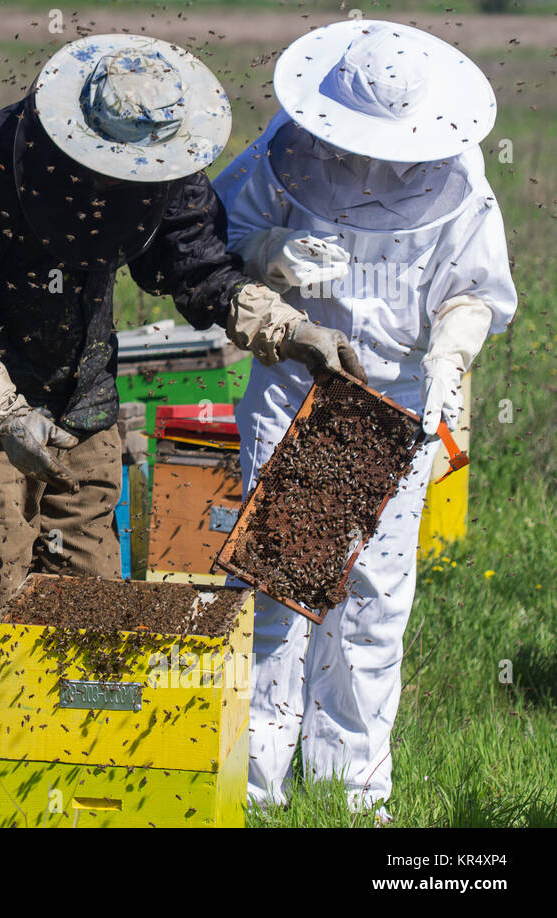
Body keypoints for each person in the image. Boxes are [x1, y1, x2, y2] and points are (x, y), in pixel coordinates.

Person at [0, 33, 364, 825]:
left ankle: (64, 792)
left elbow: (198, 266)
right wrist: (4, 413)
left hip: (85, 397)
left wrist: (290, 330)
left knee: (91, 600)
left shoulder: (165, 164)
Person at [212, 19, 518, 822]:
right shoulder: (285, 146)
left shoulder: (459, 171)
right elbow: (213, 241)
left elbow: (475, 290)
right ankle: (260, 790)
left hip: (399, 403)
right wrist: (276, 252)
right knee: (282, 591)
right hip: (299, 388)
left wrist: (451, 359)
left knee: (374, 601)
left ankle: (351, 794)